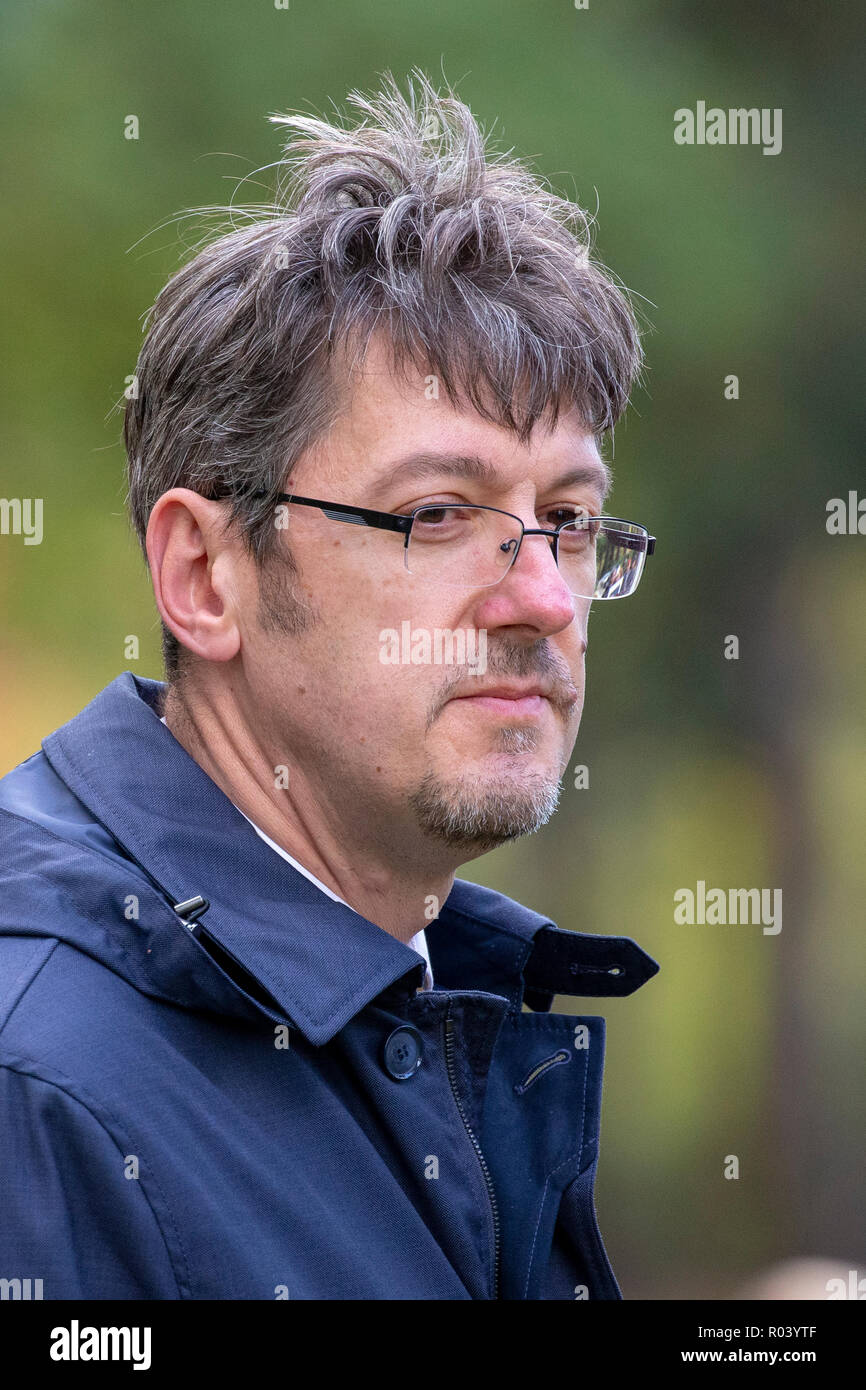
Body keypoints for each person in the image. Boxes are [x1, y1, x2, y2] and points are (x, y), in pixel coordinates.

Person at [0, 72, 658, 1300]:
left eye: (566, 519)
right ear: (205, 572)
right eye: (436, 513)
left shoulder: (418, 984)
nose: (543, 599)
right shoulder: (41, 1081)